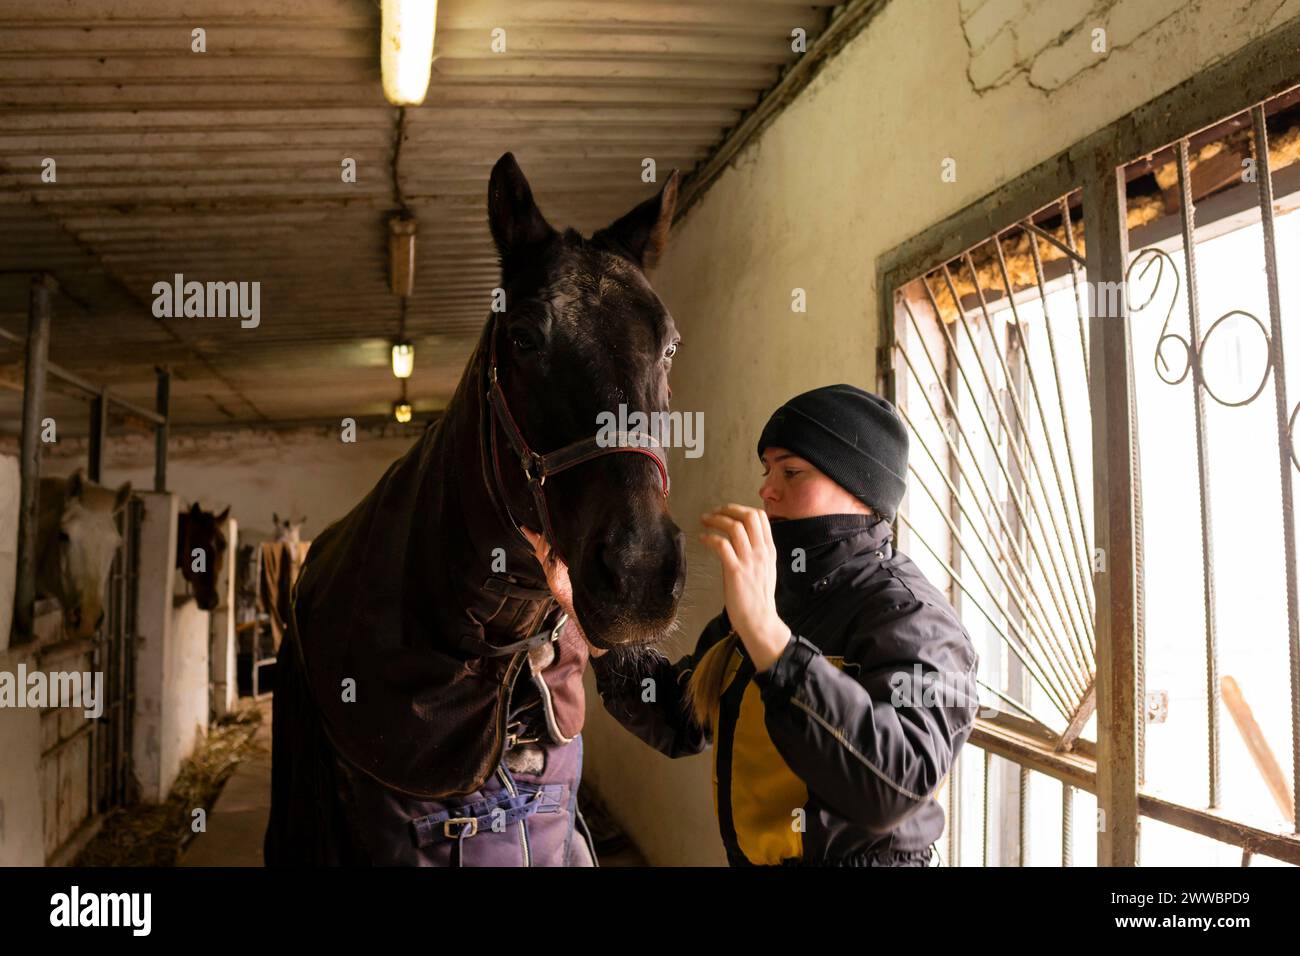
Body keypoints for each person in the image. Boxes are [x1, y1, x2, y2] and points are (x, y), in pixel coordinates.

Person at [523, 383, 980, 866]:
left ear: (859, 487)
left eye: (791, 471)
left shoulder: (913, 616)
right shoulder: (775, 595)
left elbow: (893, 788)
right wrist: (584, 608)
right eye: (767, 469)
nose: (767, 488)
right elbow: (679, 719)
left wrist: (770, 639)